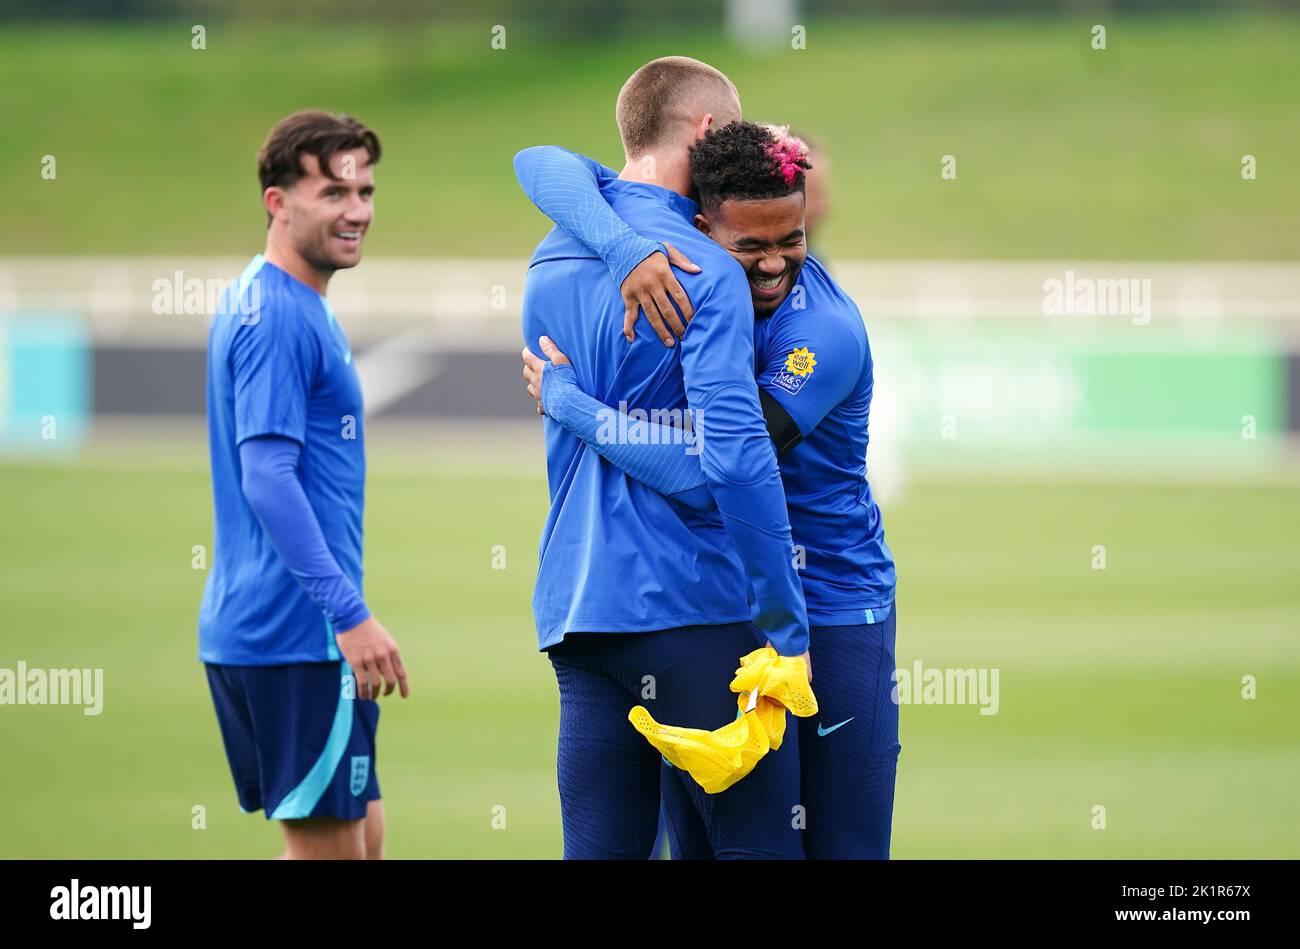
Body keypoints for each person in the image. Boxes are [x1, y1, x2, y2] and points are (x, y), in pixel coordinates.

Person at [519, 120, 898, 858]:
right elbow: (541, 161)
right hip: (735, 602)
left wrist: (574, 407)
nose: (772, 264)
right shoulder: (689, 275)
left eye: (790, 240)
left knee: (842, 844)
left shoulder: (820, 331)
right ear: (697, 222)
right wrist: (623, 244)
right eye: (748, 246)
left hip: (831, 609)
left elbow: (721, 461)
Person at [199, 110, 408, 860]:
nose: (357, 210)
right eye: (333, 193)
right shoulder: (277, 317)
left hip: (289, 630)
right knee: (330, 849)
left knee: (363, 834)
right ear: (277, 203)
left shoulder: (287, 301)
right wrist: (348, 614)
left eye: (365, 191)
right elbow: (268, 476)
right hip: (294, 634)